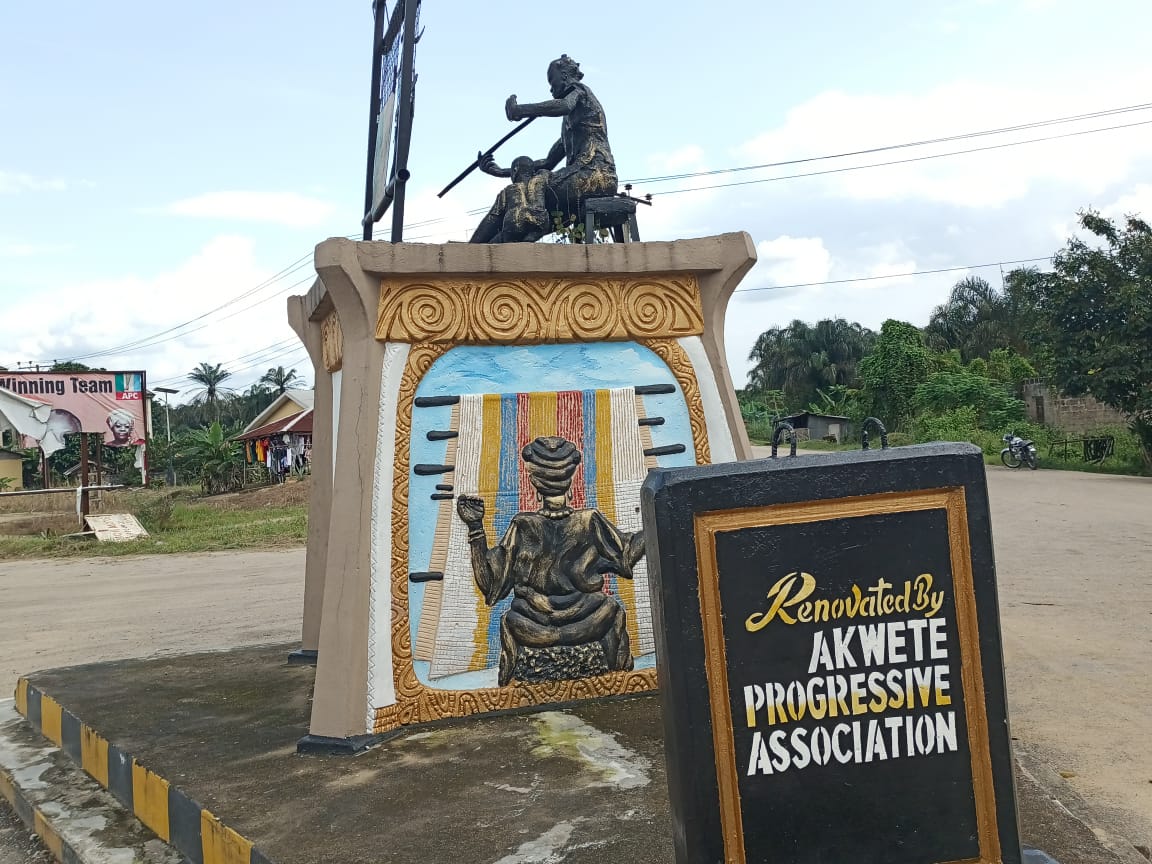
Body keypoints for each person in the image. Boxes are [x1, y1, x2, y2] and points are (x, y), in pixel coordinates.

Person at [456, 435, 644, 686]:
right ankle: (620, 683)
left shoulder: (523, 525)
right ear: (572, 479)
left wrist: (475, 528)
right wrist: (658, 516)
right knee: (612, 610)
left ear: (533, 481)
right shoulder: (589, 521)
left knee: (510, 620)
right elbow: (628, 553)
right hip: (588, 622)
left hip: (534, 628)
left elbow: (491, 582)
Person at [470, 55, 618, 242]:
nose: (550, 87)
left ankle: (518, 230)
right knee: (518, 200)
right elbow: (547, 162)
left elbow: (564, 105)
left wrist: (521, 110)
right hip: (579, 178)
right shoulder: (569, 129)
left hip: (596, 173)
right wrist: (500, 171)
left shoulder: (580, 92)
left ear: (564, 76)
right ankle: (480, 250)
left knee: (525, 192)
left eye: (551, 80)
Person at [469, 156, 552, 243]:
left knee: (492, 244)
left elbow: (493, 217)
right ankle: (533, 234)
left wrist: (473, 243)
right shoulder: (541, 179)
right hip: (540, 218)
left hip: (516, 220)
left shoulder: (509, 189)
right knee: (539, 222)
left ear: (515, 171)